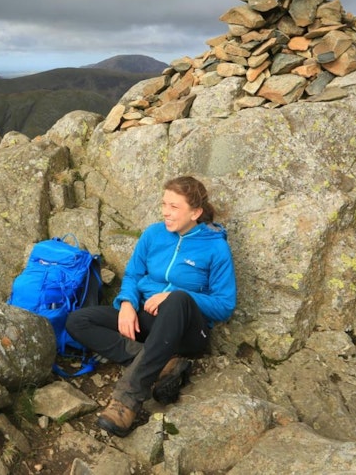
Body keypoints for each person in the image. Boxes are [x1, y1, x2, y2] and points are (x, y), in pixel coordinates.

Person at [65, 176, 237, 437]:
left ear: (195, 213)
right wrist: (127, 304)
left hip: (188, 332)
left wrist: (173, 295)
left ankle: (128, 399)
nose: (166, 212)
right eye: (164, 204)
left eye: (174, 207)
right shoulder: (154, 234)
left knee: (178, 299)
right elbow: (133, 275)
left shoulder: (216, 248)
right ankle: (162, 363)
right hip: (149, 319)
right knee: (78, 320)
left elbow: (224, 305)